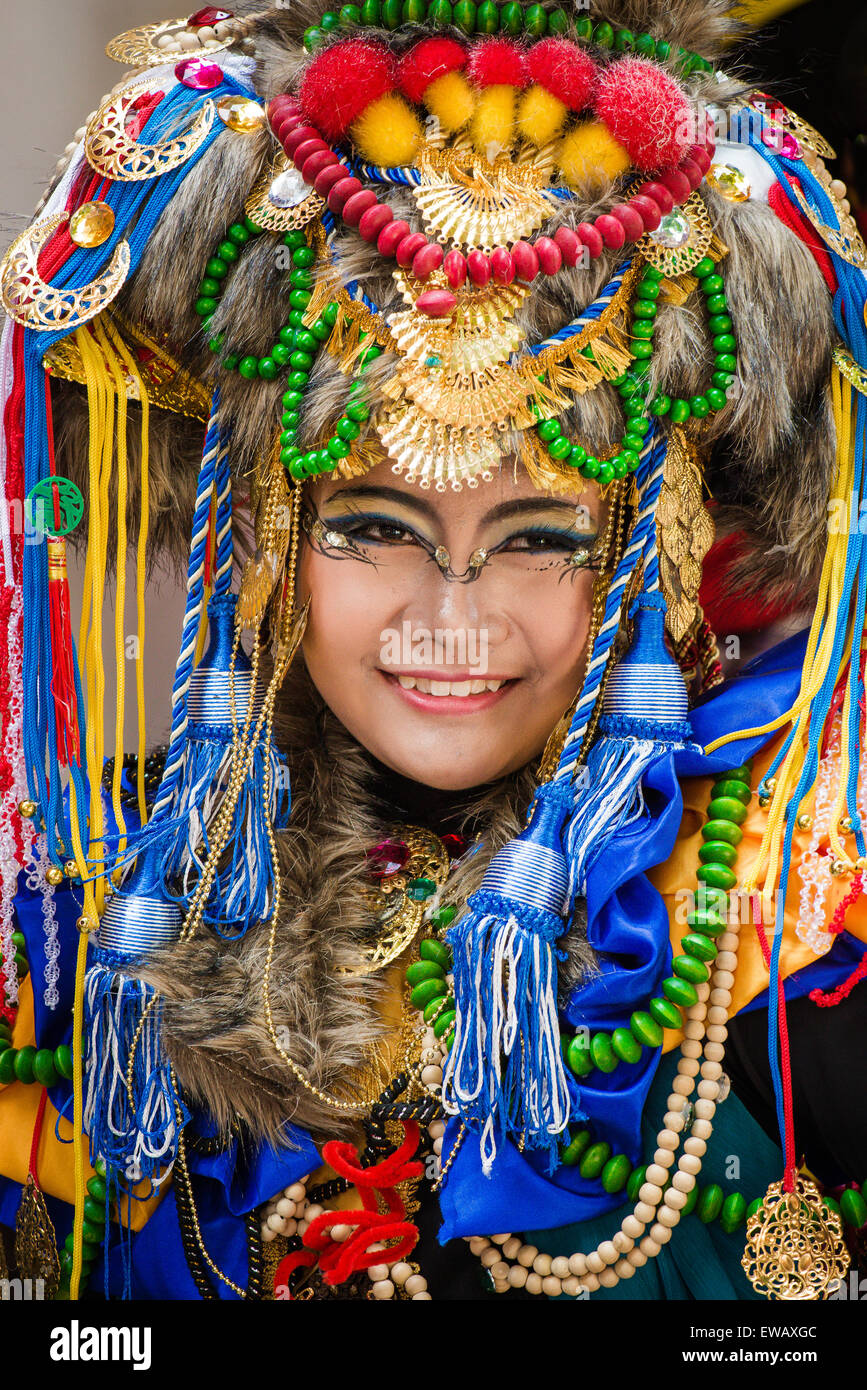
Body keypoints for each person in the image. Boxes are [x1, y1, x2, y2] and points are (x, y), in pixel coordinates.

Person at [1, 0, 866, 1303]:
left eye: (537, 538)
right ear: (264, 535)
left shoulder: (785, 908)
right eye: (369, 525)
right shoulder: (96, 917)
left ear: (659, 547)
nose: (450, 615)